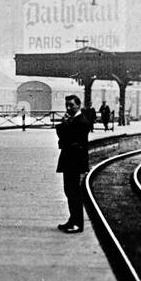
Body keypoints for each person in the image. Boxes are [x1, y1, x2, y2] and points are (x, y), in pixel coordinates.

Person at [55, 95, 92, 233]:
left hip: (74, 161)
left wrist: (64, 127)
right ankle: (72, 220)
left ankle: (78, 224)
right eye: (67, 105)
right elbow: (64, 139)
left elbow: (67, 140)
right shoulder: (73, 120)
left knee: (74, 192)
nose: (68, 108)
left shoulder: (81, 121)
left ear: (78, 105)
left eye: (71, 105)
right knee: (69, 191)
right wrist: (64, 127)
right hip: (69, 160)